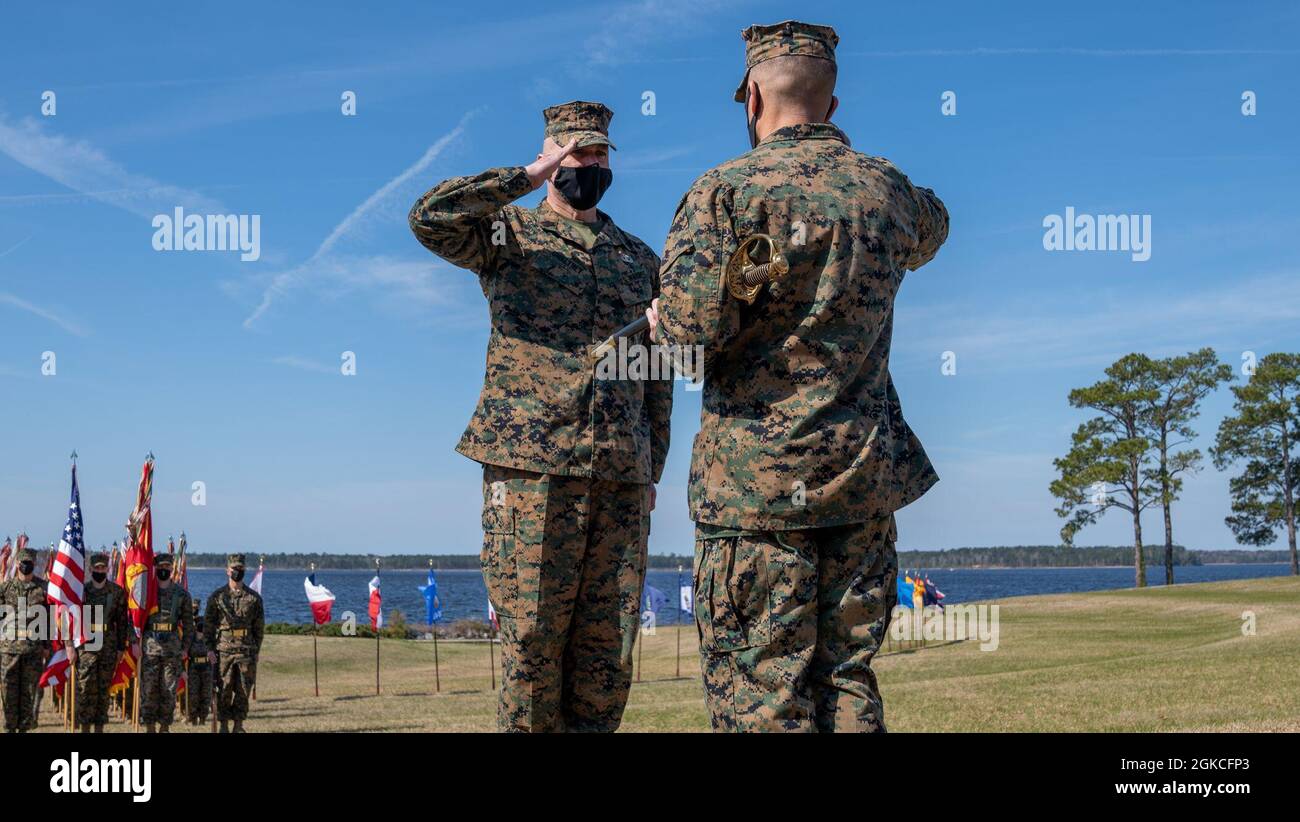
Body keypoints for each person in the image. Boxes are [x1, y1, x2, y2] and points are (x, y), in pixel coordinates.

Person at [647, 20, 949, 732]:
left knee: (762, 692)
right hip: (860, 481)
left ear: (752, 98)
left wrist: (666, 327)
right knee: (848, 681)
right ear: (833, 105)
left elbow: (691, 339)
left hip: (756, 491)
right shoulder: (888, 192)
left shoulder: (724, 194)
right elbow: (934, 227)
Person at [408, 100, 673, 732]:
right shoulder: (509, 237)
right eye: (578, 153)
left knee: (608, 650)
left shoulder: (638, 259)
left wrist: (650, 464)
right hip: (530, 469)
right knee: (531, 643)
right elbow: (428, 218)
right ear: (551, 155)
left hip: (619, 474)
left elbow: (656, 373)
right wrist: (521, 179)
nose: (590, 165)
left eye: (601, 155)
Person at [204, 553, 264, 733]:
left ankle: (238, 725)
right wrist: (209, 649)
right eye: (234, 569)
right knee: (224, 688)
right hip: (224, 650)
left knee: (244, 689)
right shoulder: (217, 598)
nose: (237, 572)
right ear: (227, 571)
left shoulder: (254, 598)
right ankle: (223, 725)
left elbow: (258, 629)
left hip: (246, 650)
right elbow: (208, 626)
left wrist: (256, 651)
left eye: (240, 569)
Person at [71, 551, 129, 732]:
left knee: (103, 690)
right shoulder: (81, 592)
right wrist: (69, 646)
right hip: (86, 646)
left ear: (107, 569)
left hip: (108, 646)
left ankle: (99, 728)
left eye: (103, 568)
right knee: (85, 688)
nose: (100, 570)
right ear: (90, 569)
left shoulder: (117, 592)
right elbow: (69, 618)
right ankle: (85, 728)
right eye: (97, 568)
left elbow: (122, 622)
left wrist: (121, 647)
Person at [138, 552, 193, 732]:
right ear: (156, 568)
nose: (163, 570)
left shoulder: (181, 594)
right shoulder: (147, 593)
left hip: (172, 650)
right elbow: (135, 620)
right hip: (150, 647)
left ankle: (164, 727)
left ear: (172, 568)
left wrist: (185, 648)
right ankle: (150, 727)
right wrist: (134, 642)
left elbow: (188, 625)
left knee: (169, 690)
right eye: (160, 567)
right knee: (149, 689)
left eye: (167, 567)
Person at [0, 548, 50, 732]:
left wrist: (47, 646)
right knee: (9, 698)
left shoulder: (42, 589)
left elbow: (48, 619)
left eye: (30, 563)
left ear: (34, 565)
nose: (26, 566)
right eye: (23, 563)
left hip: (32, 652)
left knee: (28, 698)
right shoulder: (5, 589)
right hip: (9, 652)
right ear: (17, 564)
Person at [185, 600, 213, 726]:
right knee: (193, 694)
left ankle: (203, 717)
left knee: (206, 694)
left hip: (206, 667)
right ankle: (193, 717)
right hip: (194, 667)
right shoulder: (191, 636)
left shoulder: (209, 638)